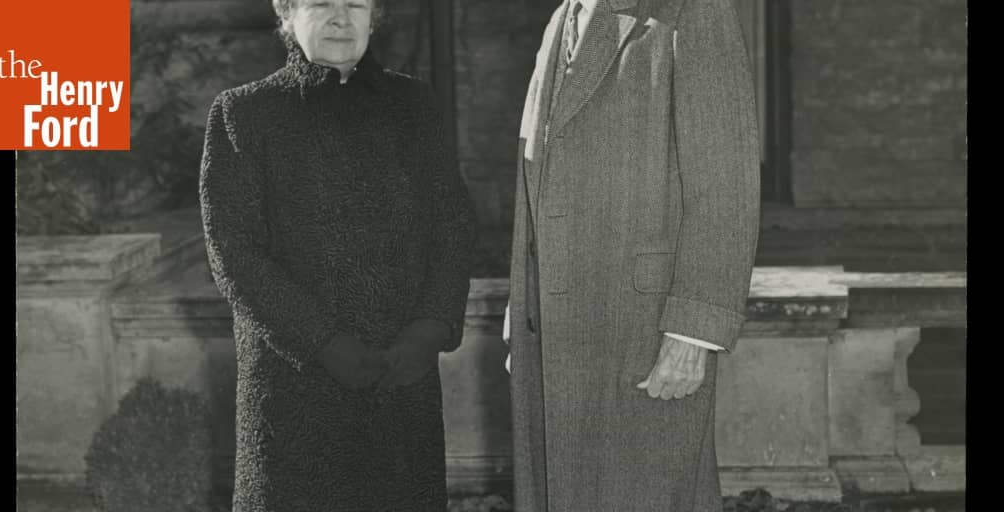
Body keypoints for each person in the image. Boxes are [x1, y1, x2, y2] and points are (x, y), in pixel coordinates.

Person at [198, 0, 475, 509]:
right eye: (321, 3)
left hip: (401, 382)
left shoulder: (413, 104)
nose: (340, 18)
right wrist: (326, 344)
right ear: (287, 16)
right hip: (295, 389)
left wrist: (428, 330)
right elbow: (234, 253)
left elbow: (452, 222)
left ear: (374, 17)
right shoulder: (243, 113)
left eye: (355, 4)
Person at [504, 0, 761, 509]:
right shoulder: (561, 19)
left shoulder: (692, 11)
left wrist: (695, 332)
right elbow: (536, 184)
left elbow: (726, 183)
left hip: (641, 330)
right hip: (556, 333)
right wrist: (524, 310)